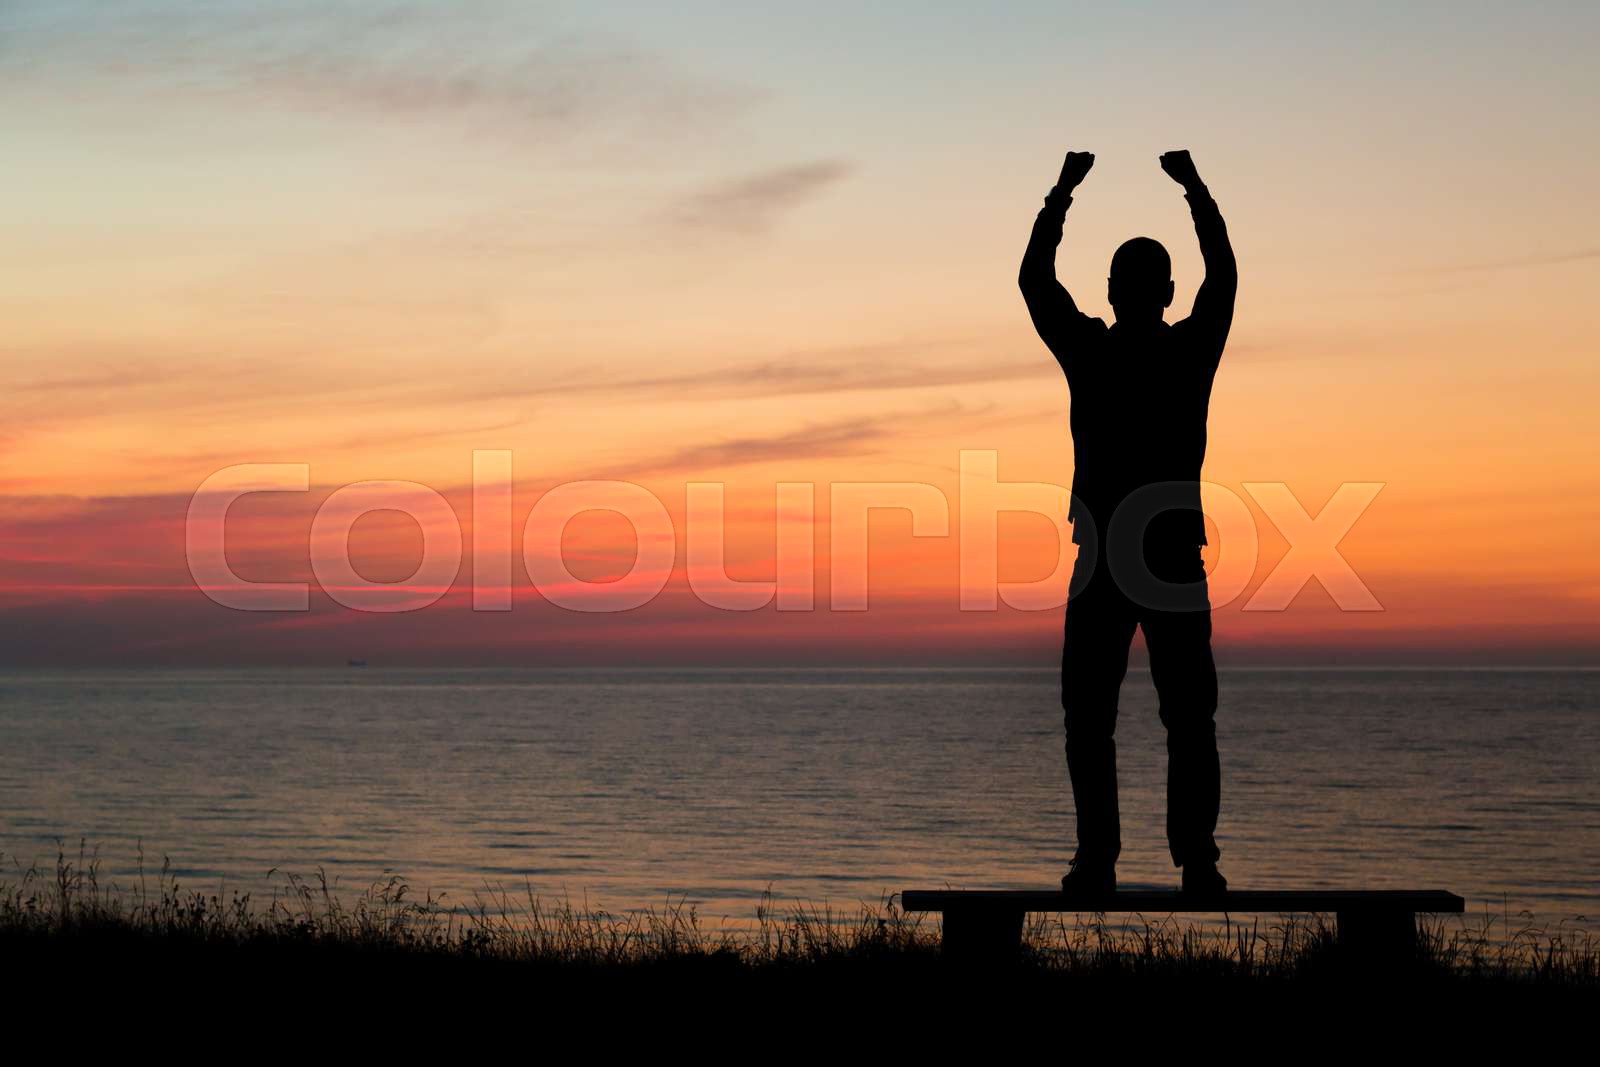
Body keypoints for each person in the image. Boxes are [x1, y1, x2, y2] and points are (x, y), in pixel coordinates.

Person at [1018, 149, 1237, 898]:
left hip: (1143, 553)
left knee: (1123, 717)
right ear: (1156, 292)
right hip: (1145, 553)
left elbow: (1036, 283)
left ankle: (1116, 860)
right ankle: (1165, 860)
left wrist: (1063, 194)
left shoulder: (1110, 349)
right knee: (1170, 717)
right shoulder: (1165, 349)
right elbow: (1225, 279)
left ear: (1118, 292)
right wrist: (1196, 193)